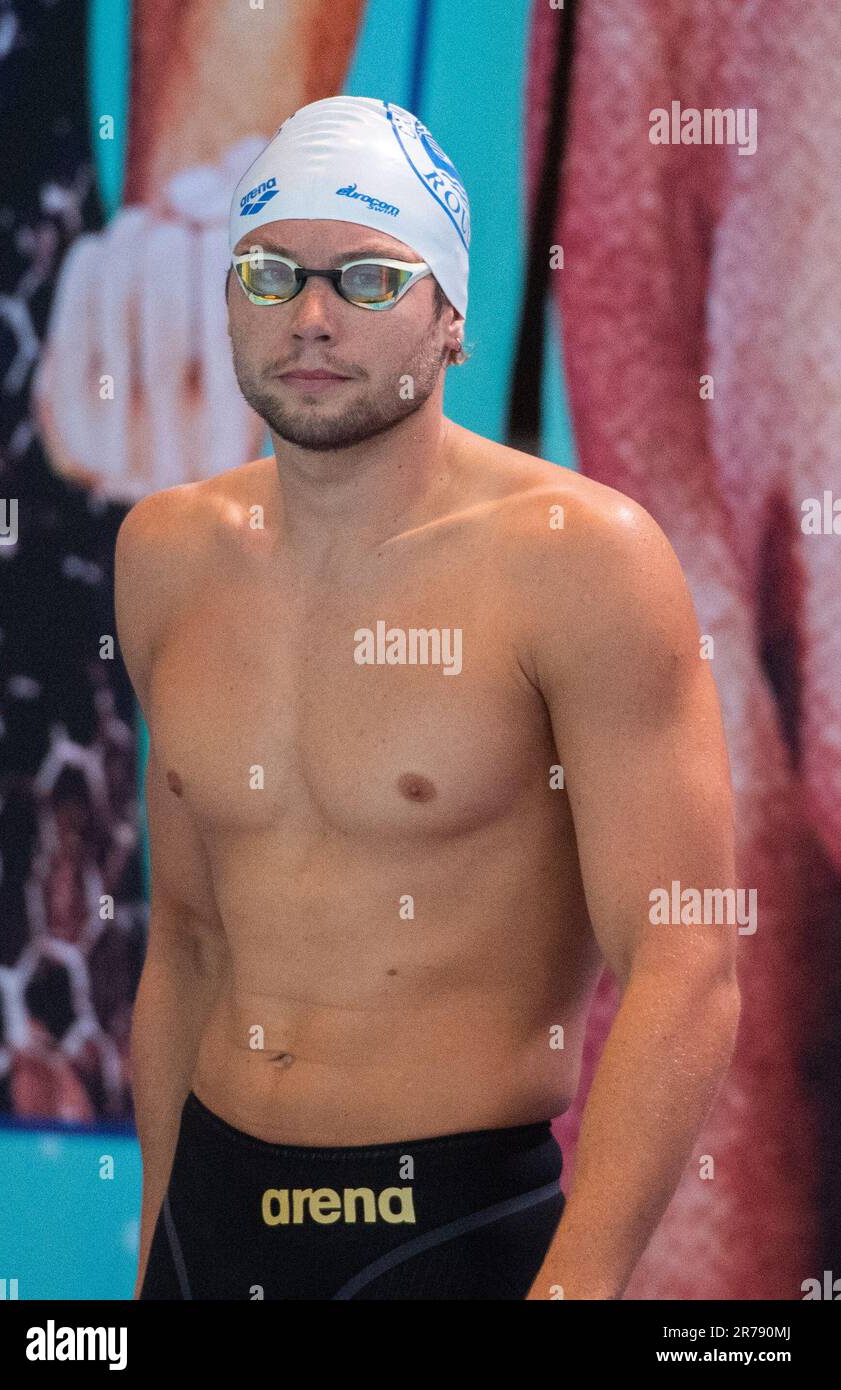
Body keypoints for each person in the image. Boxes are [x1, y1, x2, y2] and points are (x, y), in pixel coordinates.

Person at [116, 96, 739, 1301]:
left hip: (442, 1233)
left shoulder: (578, 560)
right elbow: (186, 936)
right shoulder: (167, 556)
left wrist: (576, 1290)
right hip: (207, 1224)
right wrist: (154, 1240)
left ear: (449, 316)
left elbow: (685, 955)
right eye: (268, 274)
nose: (308, 317)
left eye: (364, 277)